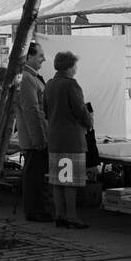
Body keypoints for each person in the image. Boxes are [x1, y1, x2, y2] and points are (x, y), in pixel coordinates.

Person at [44, 51, 93, 229]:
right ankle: (71, 216)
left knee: (58, 180)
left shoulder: (49, 84)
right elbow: (80, 110)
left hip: (55, 137)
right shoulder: (71, 85)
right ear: (70, 67)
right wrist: (89, 122)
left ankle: (60, 214)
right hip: (72, 138)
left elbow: (45, 109)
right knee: (70, 181)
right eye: (75, 65)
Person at [15, 41, 51, 221]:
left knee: (34, 173)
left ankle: (35, 208)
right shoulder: (27, 79)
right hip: (33, 137)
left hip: (33, 135)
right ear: (29, 56)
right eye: (40, 55)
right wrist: (39, 139)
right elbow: (32, 111)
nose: (43, 59)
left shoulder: (29, 77)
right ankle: (34, 210)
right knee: (34, 174)